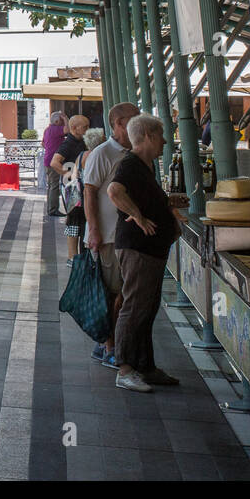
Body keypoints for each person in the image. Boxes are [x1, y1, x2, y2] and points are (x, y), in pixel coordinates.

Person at [108, 113, 181, 393]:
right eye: (161, 135)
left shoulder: (145, 166)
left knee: (147, 308)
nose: (165, 141)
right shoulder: (131, 164)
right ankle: (125, 369)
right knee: (135, 306)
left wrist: (165, 204)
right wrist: (137, 215)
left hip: (151, 248)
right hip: (138, 248)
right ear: (148, 136)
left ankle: (145, 366)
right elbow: (114, 191)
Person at [81, 102, 142, 369]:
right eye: (134, 120)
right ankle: (110, 347)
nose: (138, 125)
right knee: (111, 293)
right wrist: (94, 230)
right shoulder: (103, 153)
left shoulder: (133, 153)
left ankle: (108, 344)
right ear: (119, 124)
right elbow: (89, 192)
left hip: (123, 235)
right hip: (107, 236)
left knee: (121, 294)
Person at [64, 126, 104, 264]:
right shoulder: (99, 156)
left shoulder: (81, 155)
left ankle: (72, 257)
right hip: (91, 198)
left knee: (73, 227)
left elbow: (74, 178)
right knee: (88, 228)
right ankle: (89, 259)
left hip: (77, 200)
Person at [48, 114, 89, 218]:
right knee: (74, 221)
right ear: (74, 128)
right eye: (85, 127)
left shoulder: (80, 141)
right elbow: (54, 162)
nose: (88, 129)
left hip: (78, 185)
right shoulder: (68, 143)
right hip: (72, 187)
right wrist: (71, 175)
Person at [42, 111, 67, 215]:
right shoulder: (55, 129)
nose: (62, 123)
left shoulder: (47, 130)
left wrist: (51, 147)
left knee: (51, 185)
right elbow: (68, 130)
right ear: (57, 121)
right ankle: (53, 210)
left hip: (47, 160)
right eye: (61, 121)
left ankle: (50, 208)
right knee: (54, 186)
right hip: (53, 161)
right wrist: (65, 118)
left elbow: (43, 143)